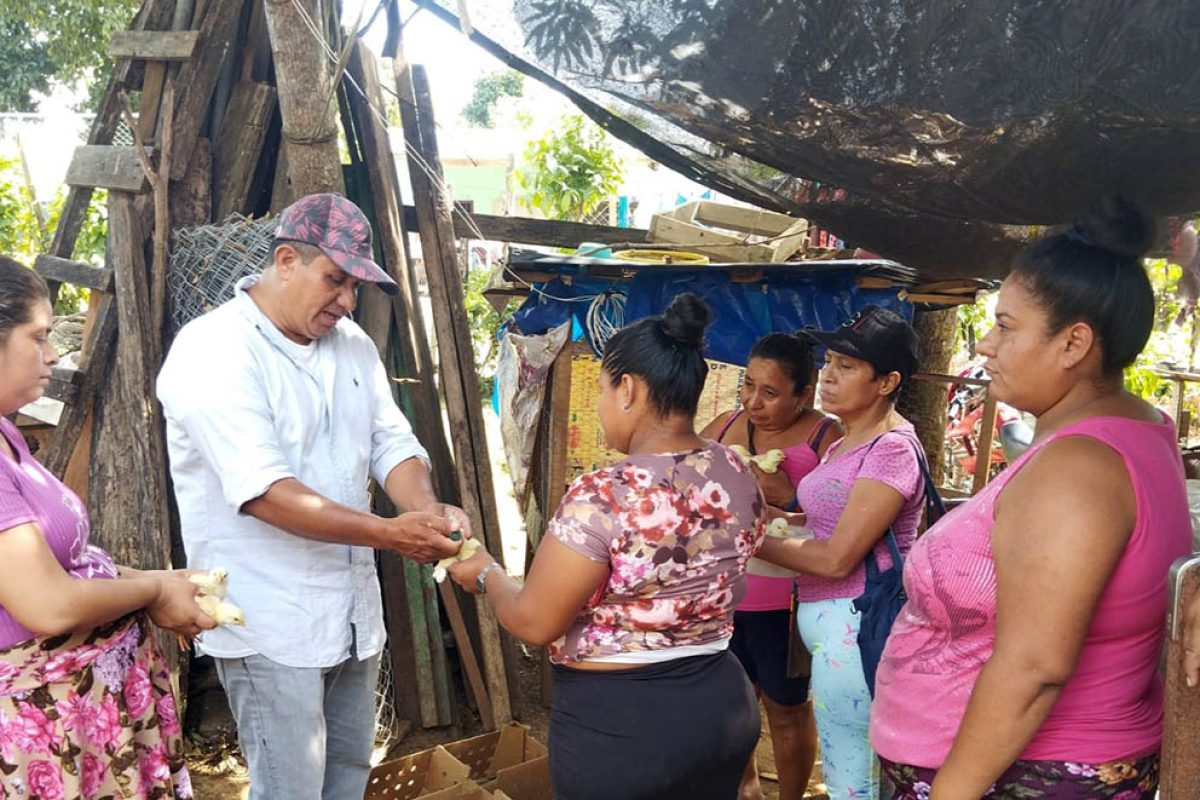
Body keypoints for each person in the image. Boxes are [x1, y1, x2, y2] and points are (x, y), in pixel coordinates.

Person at [869, 196, 1192, 799]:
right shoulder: (1139, 431)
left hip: (1027, 773)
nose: (986, 345)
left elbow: (1035, 667)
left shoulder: (1078, 469)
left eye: (1006, 326)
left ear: (1073, 344)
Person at [157, 194, 469, 800]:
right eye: (335, 280)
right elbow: (266, 493)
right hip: (270, 615)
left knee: (347, 774)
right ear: (285, 261)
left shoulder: (353, 345)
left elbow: (390, 441)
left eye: (355, 286)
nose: (347, 300)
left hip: (351, 613)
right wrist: (389, 534)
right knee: (291, 789)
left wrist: (423, 509)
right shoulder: (213, 349)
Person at [448, 293, 763, 800]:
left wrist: (486, 574)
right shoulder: (736, 470)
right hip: (722, 711)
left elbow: (535, 622)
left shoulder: (605, 495)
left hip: (625, 730)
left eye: (601, 388)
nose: (599, 405)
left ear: (628, 389)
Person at [0, 256, 213, 798]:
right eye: (38, 337)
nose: (53, 354)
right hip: (40, 737)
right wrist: (154, 591)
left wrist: (158, 579)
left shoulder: (6, 434)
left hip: (83, 720)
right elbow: (48, 604)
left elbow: (66, 564)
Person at [755, 305, 926, 800]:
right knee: (850, 770)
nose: (827, 376)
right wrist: (763, 516)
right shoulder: (847, 442)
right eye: (828, 361)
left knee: (854, 781)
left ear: (887, 382)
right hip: (833, 628)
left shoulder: (891, 450)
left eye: (846, 366)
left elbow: (837, 558)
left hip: (857, 626)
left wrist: (745, 539)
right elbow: (823, 524)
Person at [700, 332, 840, 800]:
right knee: (733, 706)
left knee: (786, 711)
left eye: (771, 392)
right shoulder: (724, 427)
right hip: (724, 598)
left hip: (788, 605)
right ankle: (747, 790)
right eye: (748, 385)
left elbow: (846, 521)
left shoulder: (826, 438)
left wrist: (789, 496)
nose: (753, 402)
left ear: (804, 394)